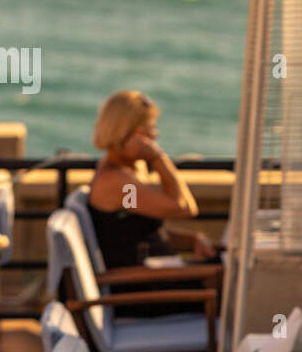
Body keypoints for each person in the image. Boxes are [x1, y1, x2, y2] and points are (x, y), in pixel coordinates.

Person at [88, 90, 218, 271]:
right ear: (136, 135)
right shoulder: (119, 182)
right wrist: (158, 156)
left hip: (155, 271)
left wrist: (192, 240)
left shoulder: (128, 172)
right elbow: (185, 207)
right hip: (143, 284)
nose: (155, 136)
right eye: (151, 129)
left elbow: (136, 231)